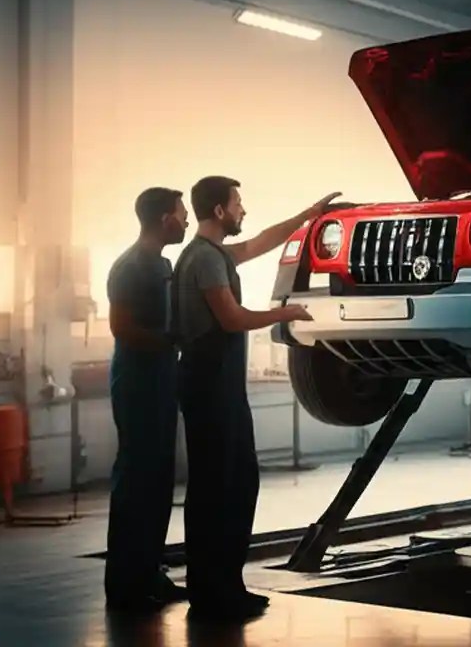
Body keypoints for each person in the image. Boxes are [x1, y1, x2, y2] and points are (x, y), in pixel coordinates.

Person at [172, 175, 343, 620]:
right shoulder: (206, 261)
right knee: (221, 488)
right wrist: (286, 312)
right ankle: (215, 591)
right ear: (219, 211)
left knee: (231, 483)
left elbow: (260, 243)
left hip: (218, 386)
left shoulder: (209, 254)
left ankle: (223, 585)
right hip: (210, 386)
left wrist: (308, 216)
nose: (243, 212)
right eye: (238, 204)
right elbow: (231, 318)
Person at [104, 186, 190, 612]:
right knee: (137, 478)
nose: (186, 221)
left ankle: (148, 572)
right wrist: (168, 342)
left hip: (160, 377)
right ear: (164, 220)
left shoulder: (164, 265)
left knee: (158, 480)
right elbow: (121, 326)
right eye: (181, 214)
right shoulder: (129, 267)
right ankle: (125, 581)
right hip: (137, 380)